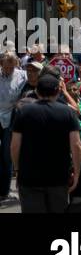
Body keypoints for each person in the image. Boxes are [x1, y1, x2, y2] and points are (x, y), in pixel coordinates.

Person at [10, 72, 81, 213]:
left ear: (37, 91)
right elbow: (77, 145)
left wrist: (17, 169)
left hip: (29, 176)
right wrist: (77, 172)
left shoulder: (23, 112)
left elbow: (14, 145)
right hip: (58, 176)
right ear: (57, 91)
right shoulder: (68, 112)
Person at [0, 51, 26, 202]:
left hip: (11, 118)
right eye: (6, 67)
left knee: (7, 155)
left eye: (12, 67)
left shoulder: (22, 75)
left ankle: (4, 190)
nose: (9, 70)